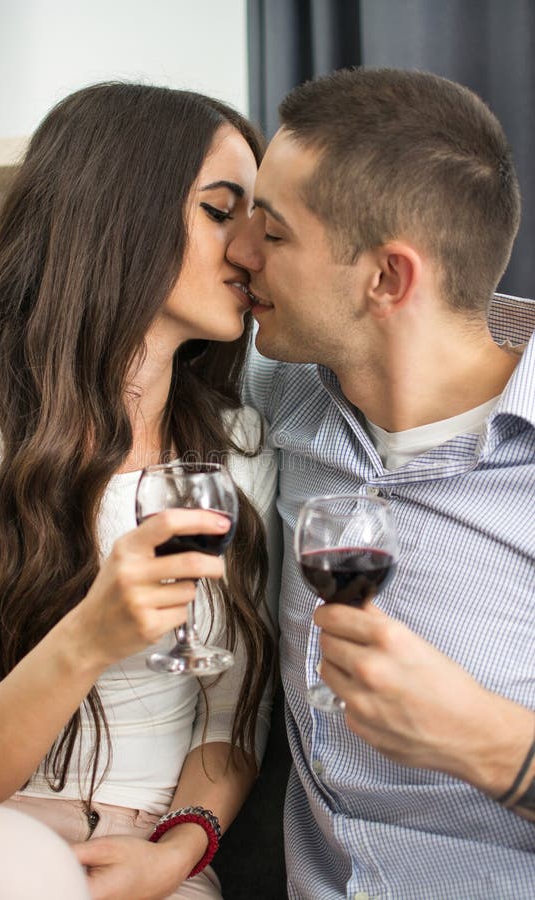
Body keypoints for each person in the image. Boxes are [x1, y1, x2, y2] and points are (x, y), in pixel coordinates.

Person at [0, 82, 280, 900]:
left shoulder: (242, 448)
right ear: (119, 212)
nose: (253, 249)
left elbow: (231, 720)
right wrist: (91, 633)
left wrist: (181, 850)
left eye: (260, 218)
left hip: (153, 858)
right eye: (220, 210)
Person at [227, 68, 535, 898]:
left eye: (276, 233)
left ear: (388, 279)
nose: (240, 252)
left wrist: (489, 744)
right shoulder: (273, 387)